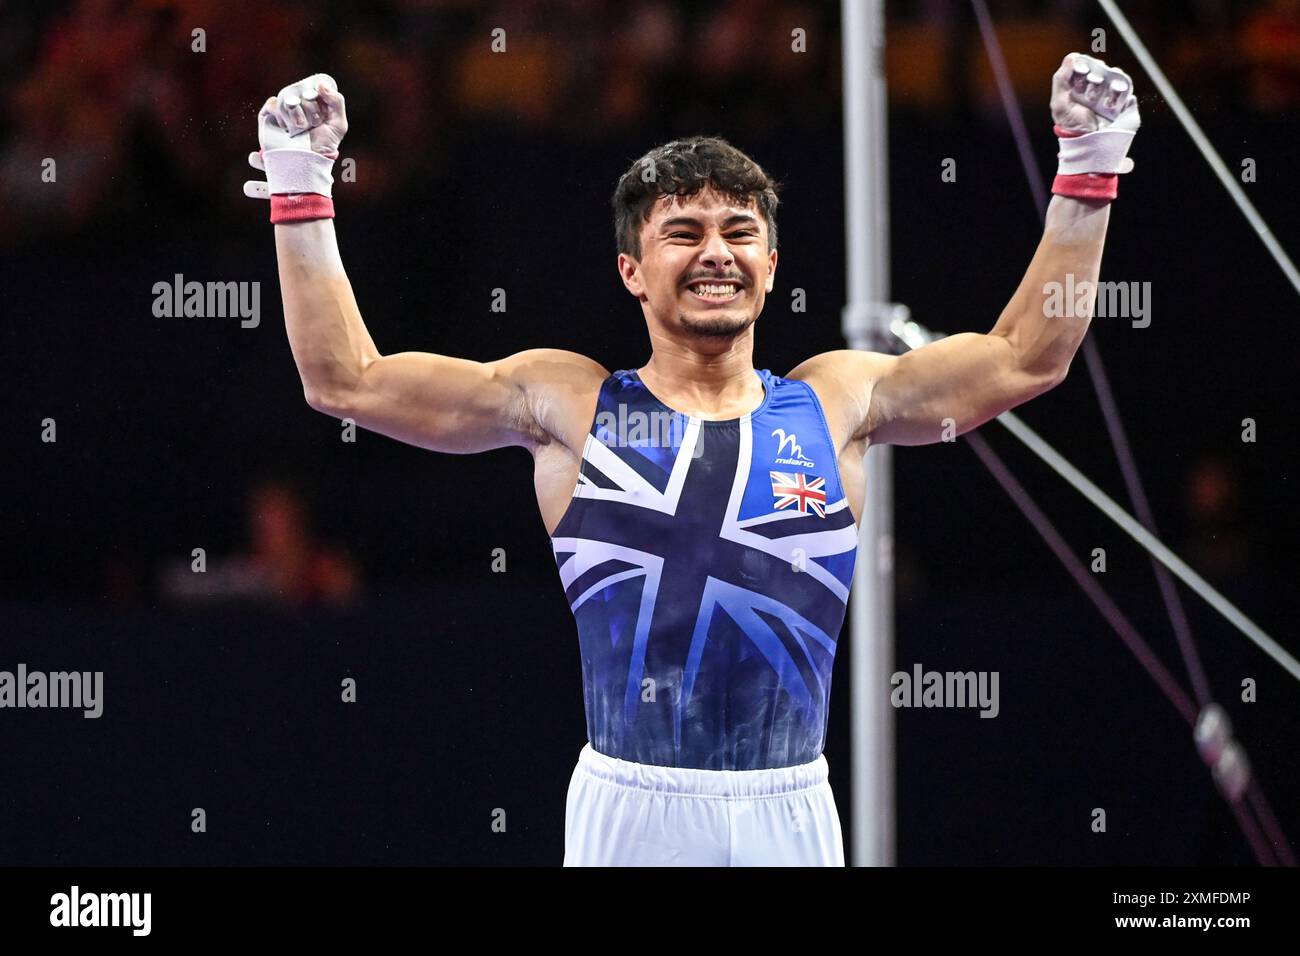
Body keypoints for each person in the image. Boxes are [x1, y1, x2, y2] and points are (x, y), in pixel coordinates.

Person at [244, 54, 1140, 866]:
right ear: (632, 269)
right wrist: (301, 191)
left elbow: (1030, 356)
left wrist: (1087, 173)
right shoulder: (570, 405)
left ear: (773, 262)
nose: (716, 252)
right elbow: (347, 382)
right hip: (631, 809)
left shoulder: (838, 403)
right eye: (683, 232)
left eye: (739, 230)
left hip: (788, 807)